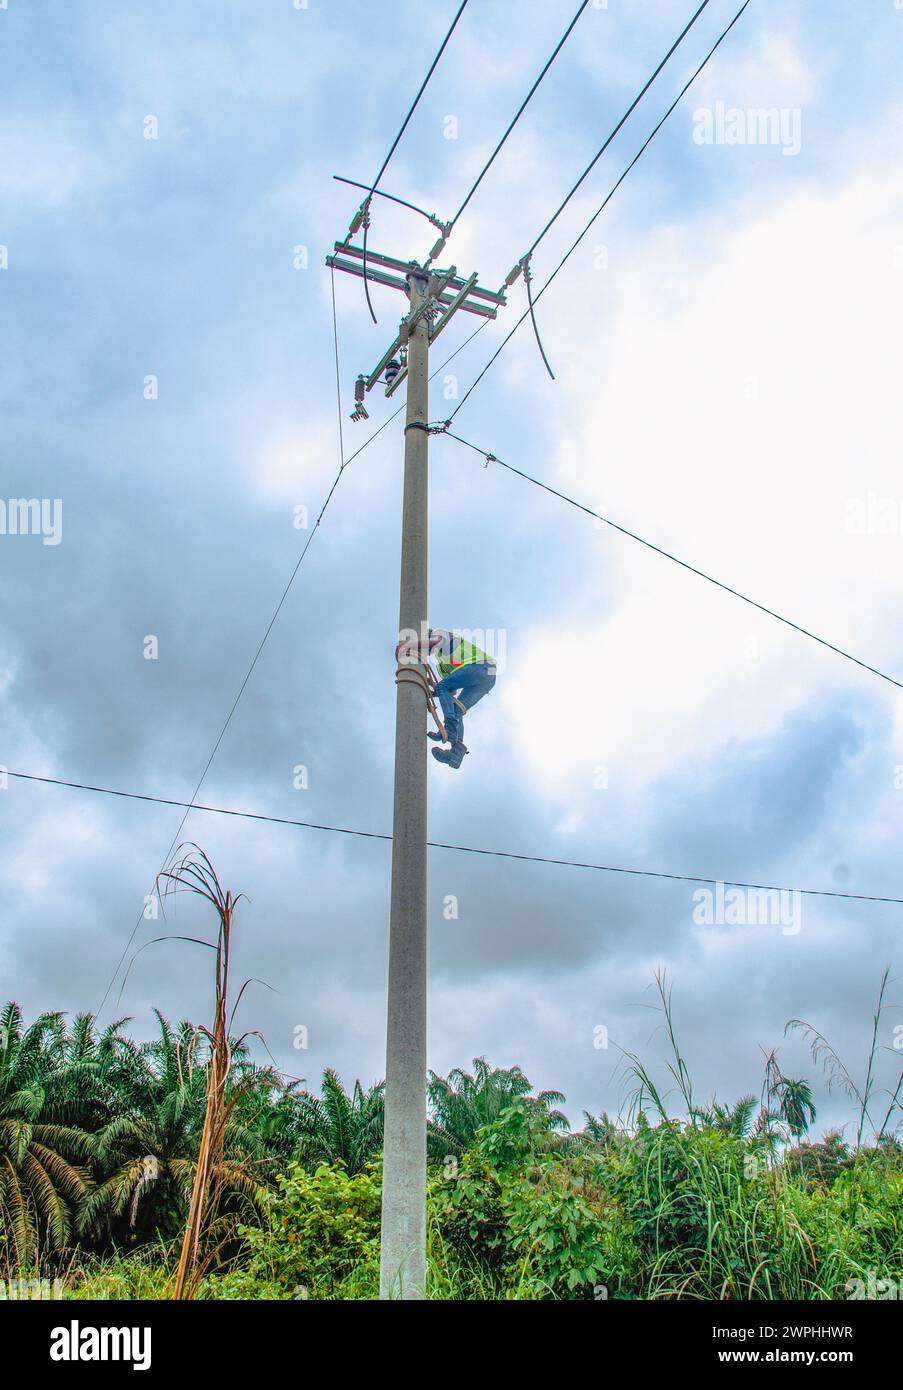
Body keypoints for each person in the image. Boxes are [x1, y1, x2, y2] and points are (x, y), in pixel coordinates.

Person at [425, 628, 497, 769]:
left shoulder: (445, 638)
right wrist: (432, 691)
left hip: (483, 667)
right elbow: (450, 691)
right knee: (457, 709)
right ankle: (455, 753)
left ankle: (449, 728)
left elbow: (443, 687)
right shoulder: (442, 665)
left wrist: (411, 647)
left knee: (442, 687)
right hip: (487, 679)